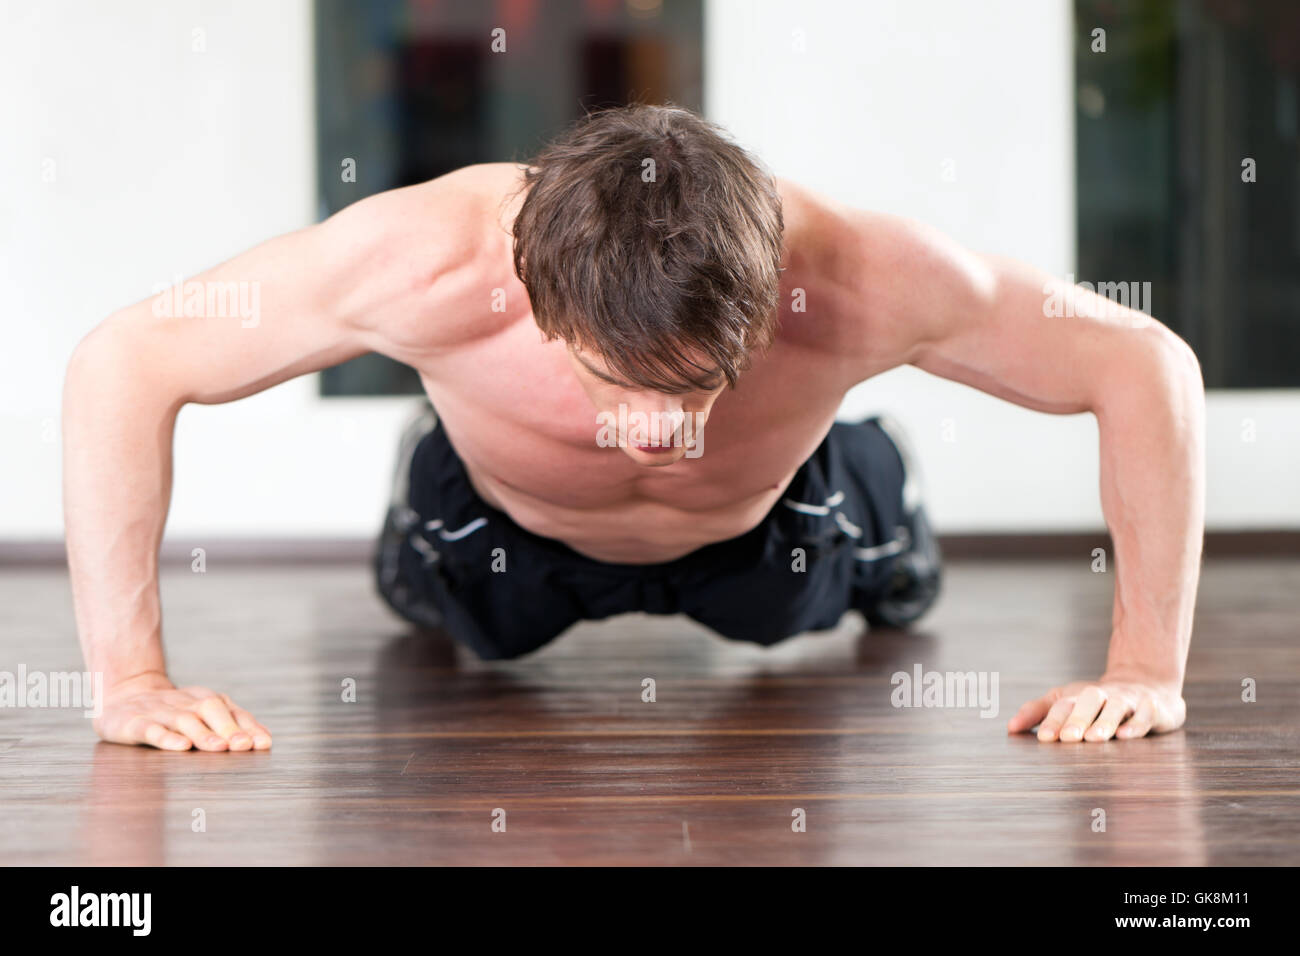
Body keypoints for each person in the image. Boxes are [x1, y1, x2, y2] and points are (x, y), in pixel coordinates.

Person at [63, 104, 1203, 753]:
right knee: (440, 606)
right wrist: (132, 678)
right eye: (619, 380)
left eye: (702, 380)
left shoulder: (861, 276)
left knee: (869, 572)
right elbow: (126, 360)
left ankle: (871, 475)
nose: (659, 433)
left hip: (764, 543)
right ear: (538, 304)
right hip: (503, 539)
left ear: (770, 304)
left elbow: (1142, 360)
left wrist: (1147, 670)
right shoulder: (427, 262)